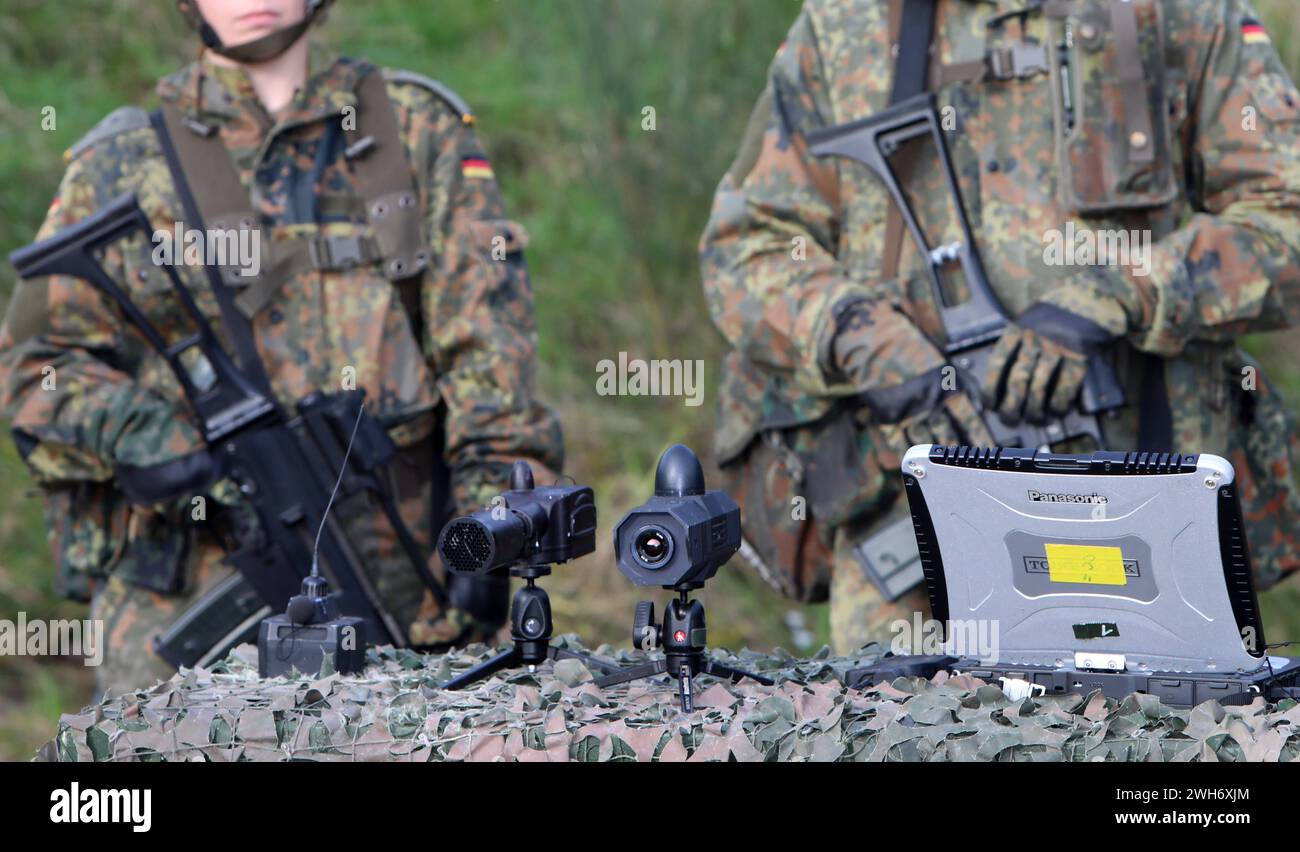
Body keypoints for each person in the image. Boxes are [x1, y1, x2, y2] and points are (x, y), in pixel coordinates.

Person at [701, 0, 1300, 654]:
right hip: (912, 537)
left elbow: (1284, 218)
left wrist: (1126, 289)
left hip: (1148, 519)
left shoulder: (1180, 14)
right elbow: (745, 248)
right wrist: (861, 335)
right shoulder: (847, 28)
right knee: (900, 741)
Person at [0, 0, 563, 693]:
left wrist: (489, 542)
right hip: (185, 603)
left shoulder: (409, 132)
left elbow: (491, 369)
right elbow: (34, 369)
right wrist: (151, 439)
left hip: (408, 596)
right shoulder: (119, 166)